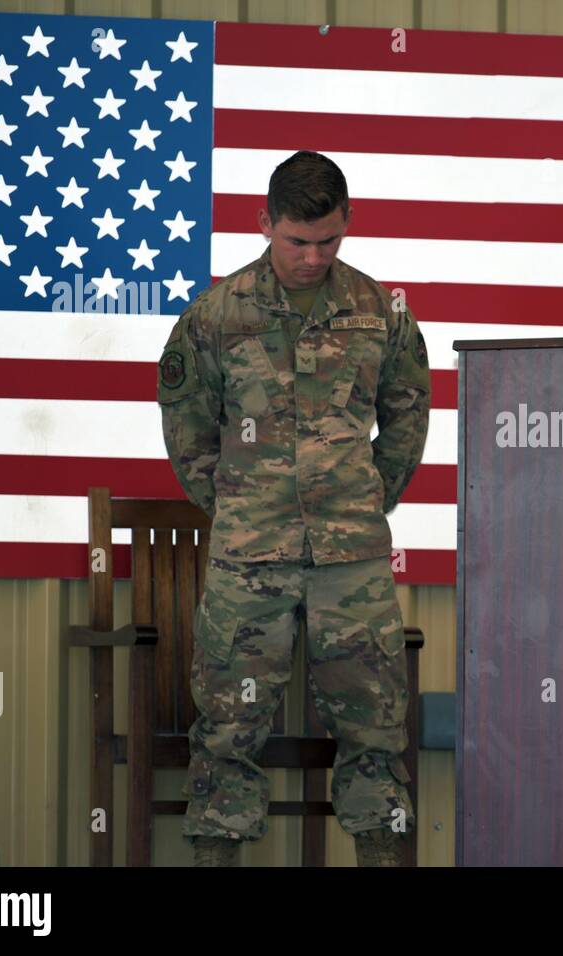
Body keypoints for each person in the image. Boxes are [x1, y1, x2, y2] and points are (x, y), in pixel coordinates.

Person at [157, 150, 431, 867]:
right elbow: (188, 430)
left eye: (328, 241)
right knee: (228, 724)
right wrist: (242, 507)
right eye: (296, 241)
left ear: (348, 227)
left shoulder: (381, 312)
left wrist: (367, 496)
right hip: (250, 560)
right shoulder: (216, 316)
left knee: (375, 725)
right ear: (265, 224)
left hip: (353, 561)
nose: (312, 258)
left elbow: (407, 414)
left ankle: (379, 853)